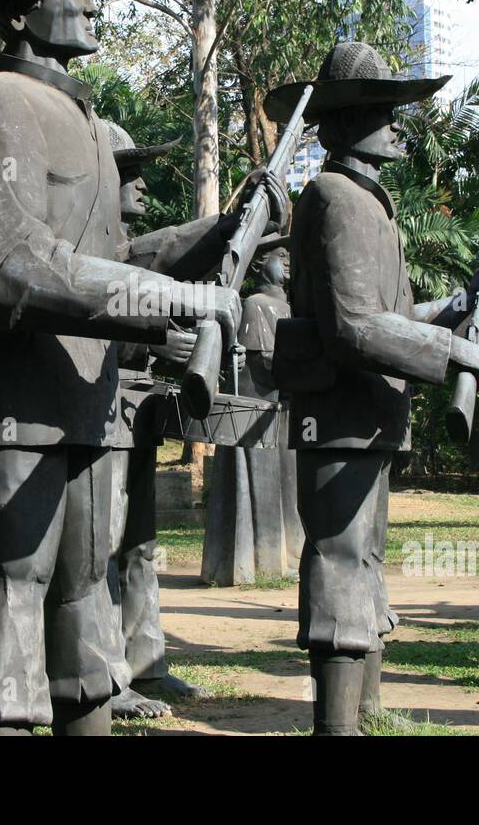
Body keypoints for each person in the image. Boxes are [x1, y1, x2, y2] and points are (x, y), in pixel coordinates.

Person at [0, 0, 242, 736]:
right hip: (14, 409)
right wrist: (177, 301)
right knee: (7, 615)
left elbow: (115, 263)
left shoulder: (92, 127)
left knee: (84, 619)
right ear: (22, 10)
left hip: (88, 404)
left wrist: (218, 235)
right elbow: (15, 268)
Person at [265, 41, 479, 734]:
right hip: (337, 409)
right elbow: (354, 328)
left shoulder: (367, 202)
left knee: (362, 556)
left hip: (365, 410)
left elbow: (386, 319)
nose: (398, 125)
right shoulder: (336, 198)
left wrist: (450, 310)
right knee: (339, 558)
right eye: (381, 111)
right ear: (344, 124)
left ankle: (363, 712)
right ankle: (338, 725)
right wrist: (449, 349)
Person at [103, 121, 280, 718]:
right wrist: (161, 342)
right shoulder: (94, 240)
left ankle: (147, 663)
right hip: (99, 411)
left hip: (137, 407)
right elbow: (133, 278)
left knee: (141, 543)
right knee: (102, 545)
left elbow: (165, 258)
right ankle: (104, 672)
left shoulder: (121, 239)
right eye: (133, 175)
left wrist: (238, 217)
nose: (144, 187)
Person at [203, 236, 303, 586]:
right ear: (259, 264)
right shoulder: (256, 304)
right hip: (258, 414)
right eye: (279, 255)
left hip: (285, 412)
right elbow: (263, 362)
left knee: (291, 490)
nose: (286, 261)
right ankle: (265, 558)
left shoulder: (289, 307)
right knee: (264, 490)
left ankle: (289, 555)